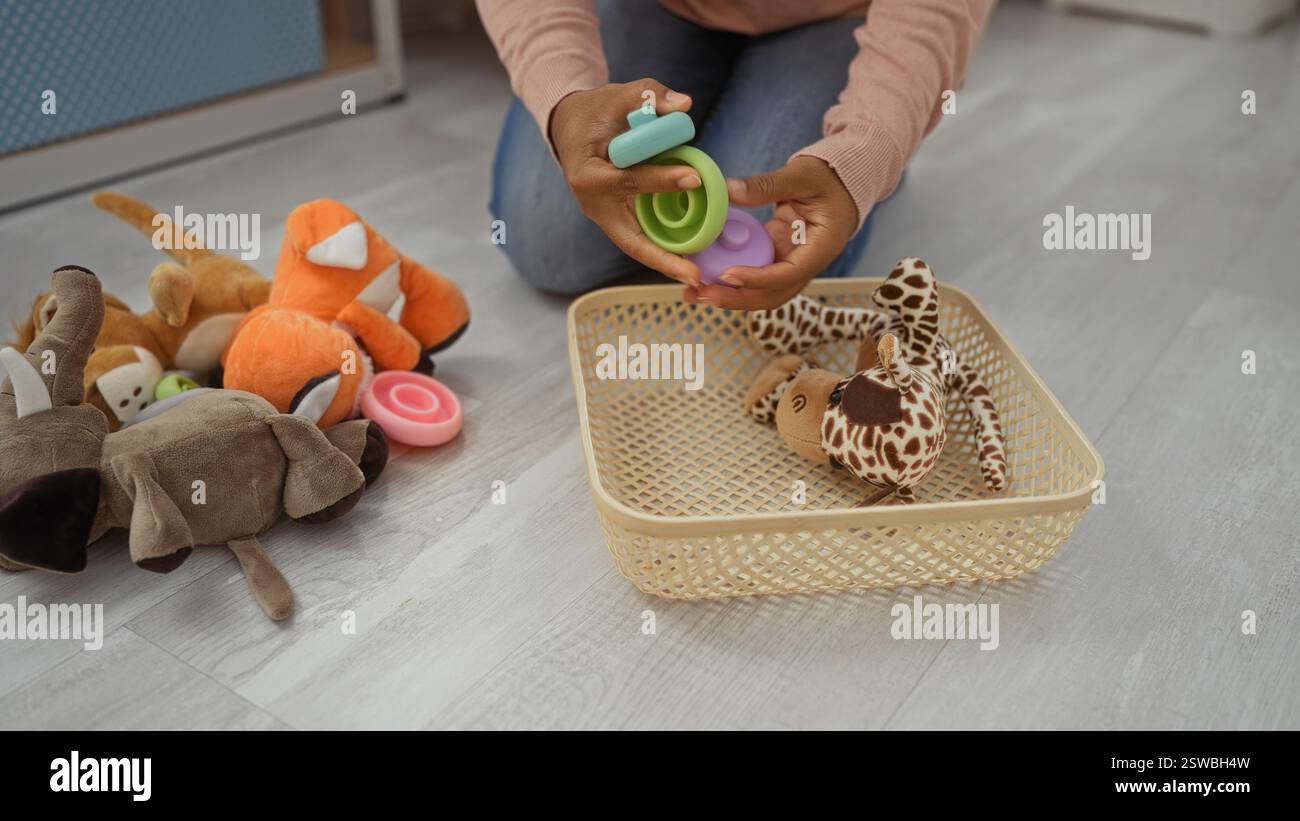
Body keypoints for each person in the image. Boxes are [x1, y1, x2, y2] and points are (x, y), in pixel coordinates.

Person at [479, 0, 993, 310]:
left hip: (842, 16)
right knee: (551, 241)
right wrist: (565, 97)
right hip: (661, 9)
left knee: (776, 239)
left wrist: (867, 144)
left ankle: (870, 130)